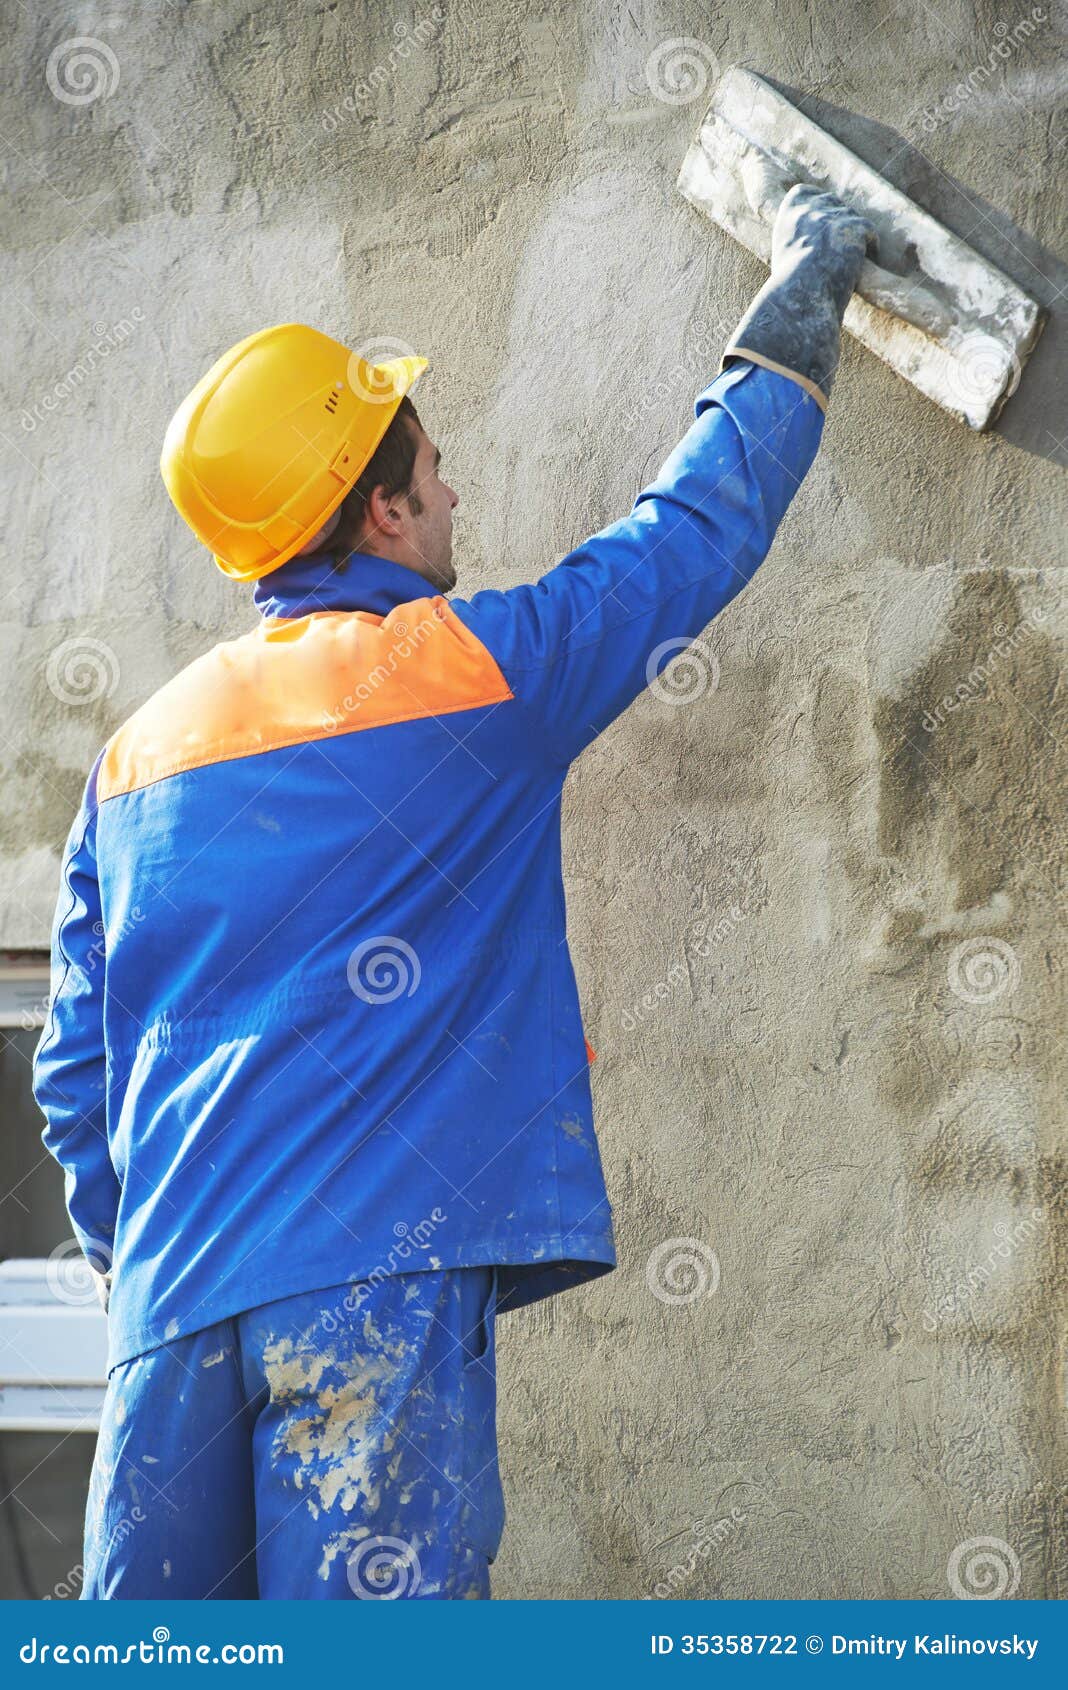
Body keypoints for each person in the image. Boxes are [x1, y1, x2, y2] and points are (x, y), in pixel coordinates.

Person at [34, 187, 873, 1599]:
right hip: (368, 1290)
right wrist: (809, 282)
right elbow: (688, 536)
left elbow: (74, 1078)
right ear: (382, 506)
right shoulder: (468, 672)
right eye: (436, 466)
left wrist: (162, 1263)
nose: (455, 495)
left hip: (166, 1315)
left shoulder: (137, 756)